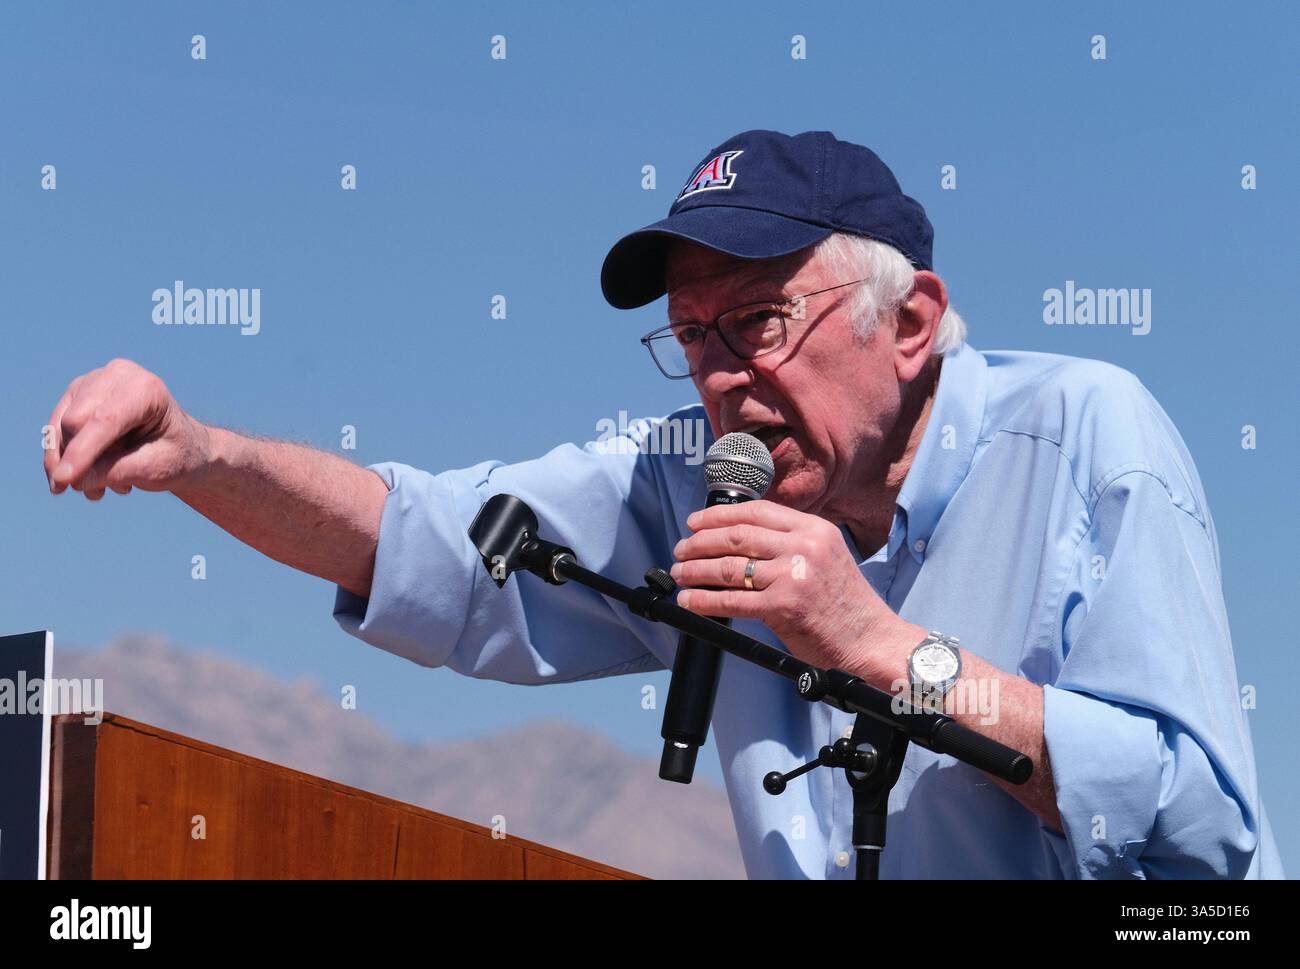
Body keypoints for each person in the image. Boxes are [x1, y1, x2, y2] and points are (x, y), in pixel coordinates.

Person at [43, 129, 1282, 879]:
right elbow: (423, 536)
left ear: (906, 323)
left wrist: (881, 650)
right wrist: (199, 450)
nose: (724, 375)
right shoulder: (691, 470)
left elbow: (1199, 830)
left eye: (758, 322)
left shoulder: (1085, 436)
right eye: (692, 337)